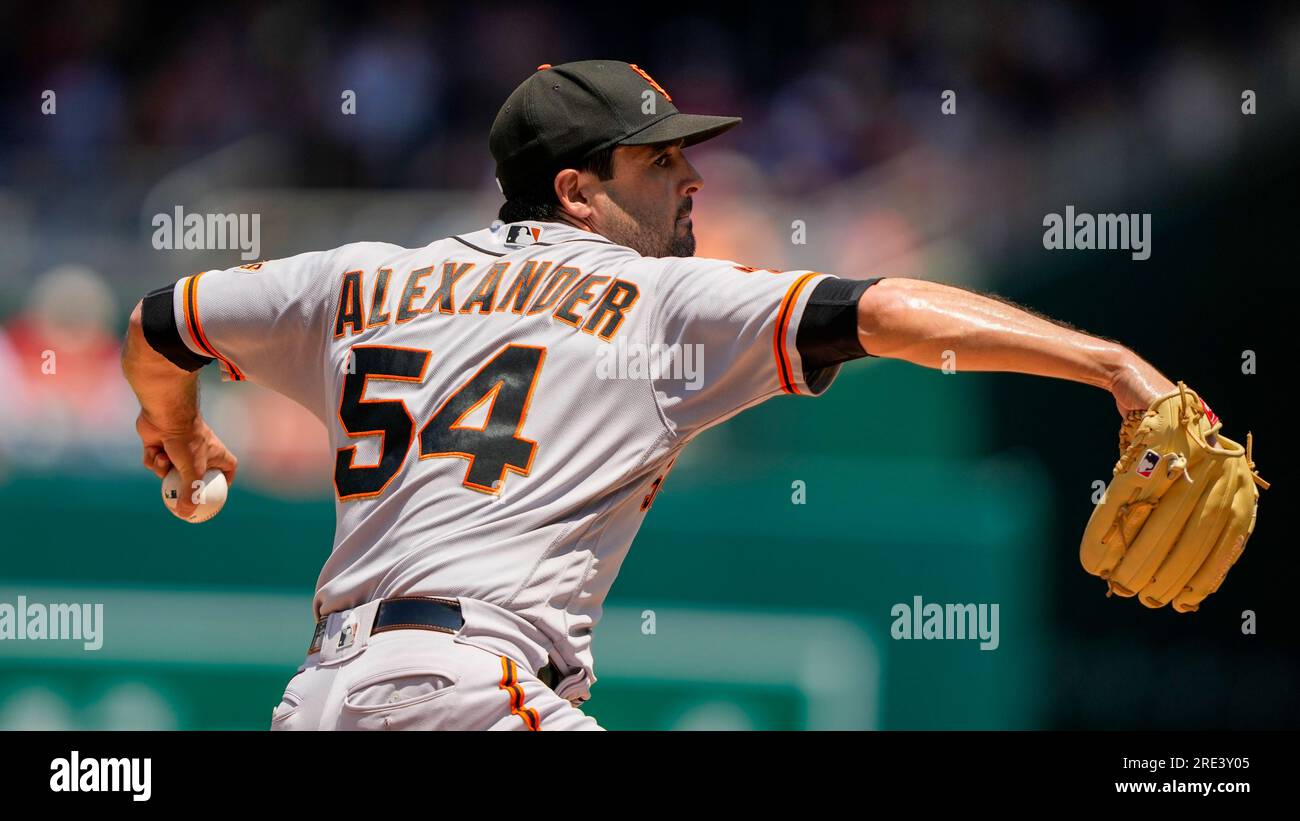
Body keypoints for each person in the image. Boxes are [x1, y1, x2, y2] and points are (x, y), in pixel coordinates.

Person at [120, 60, 1174, 730]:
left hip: (322, 697)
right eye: (659, 159)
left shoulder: (352, 278)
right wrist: (1113, 365)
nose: (691, 180)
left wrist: (177, 432)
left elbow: (159, 323)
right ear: (578, 190)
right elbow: (885, 310)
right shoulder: (656, 298)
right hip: (468, 691)